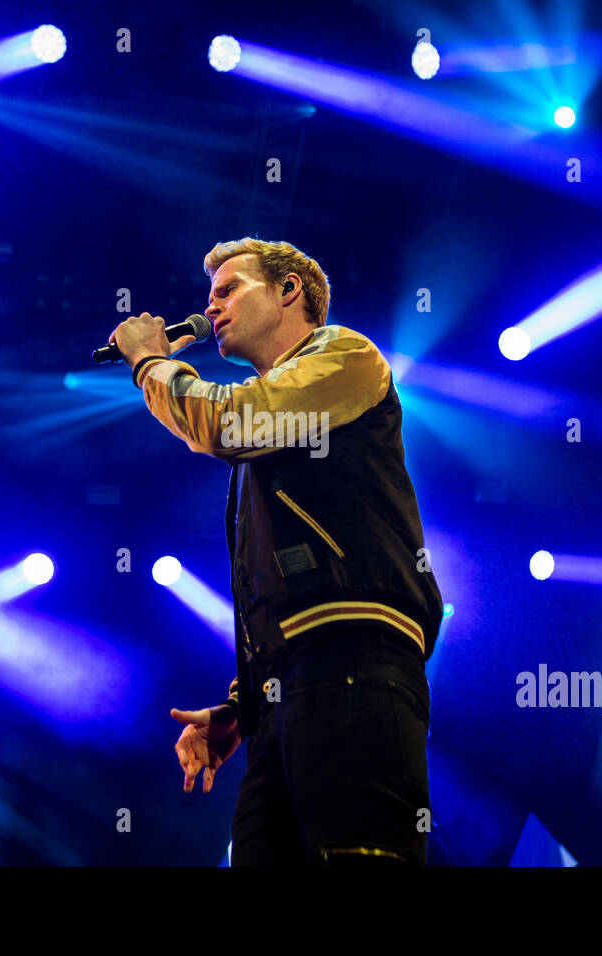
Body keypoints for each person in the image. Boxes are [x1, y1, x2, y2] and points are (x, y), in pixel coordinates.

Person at [110, 238, 443, 865]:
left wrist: (151, 363)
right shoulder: (275, 422)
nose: (211, 308)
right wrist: (242, 704)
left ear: (289, 290)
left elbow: (230, 423)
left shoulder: (345, 355)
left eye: (228, 290)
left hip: (351, 661)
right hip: (285, 690)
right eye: (209, 298)